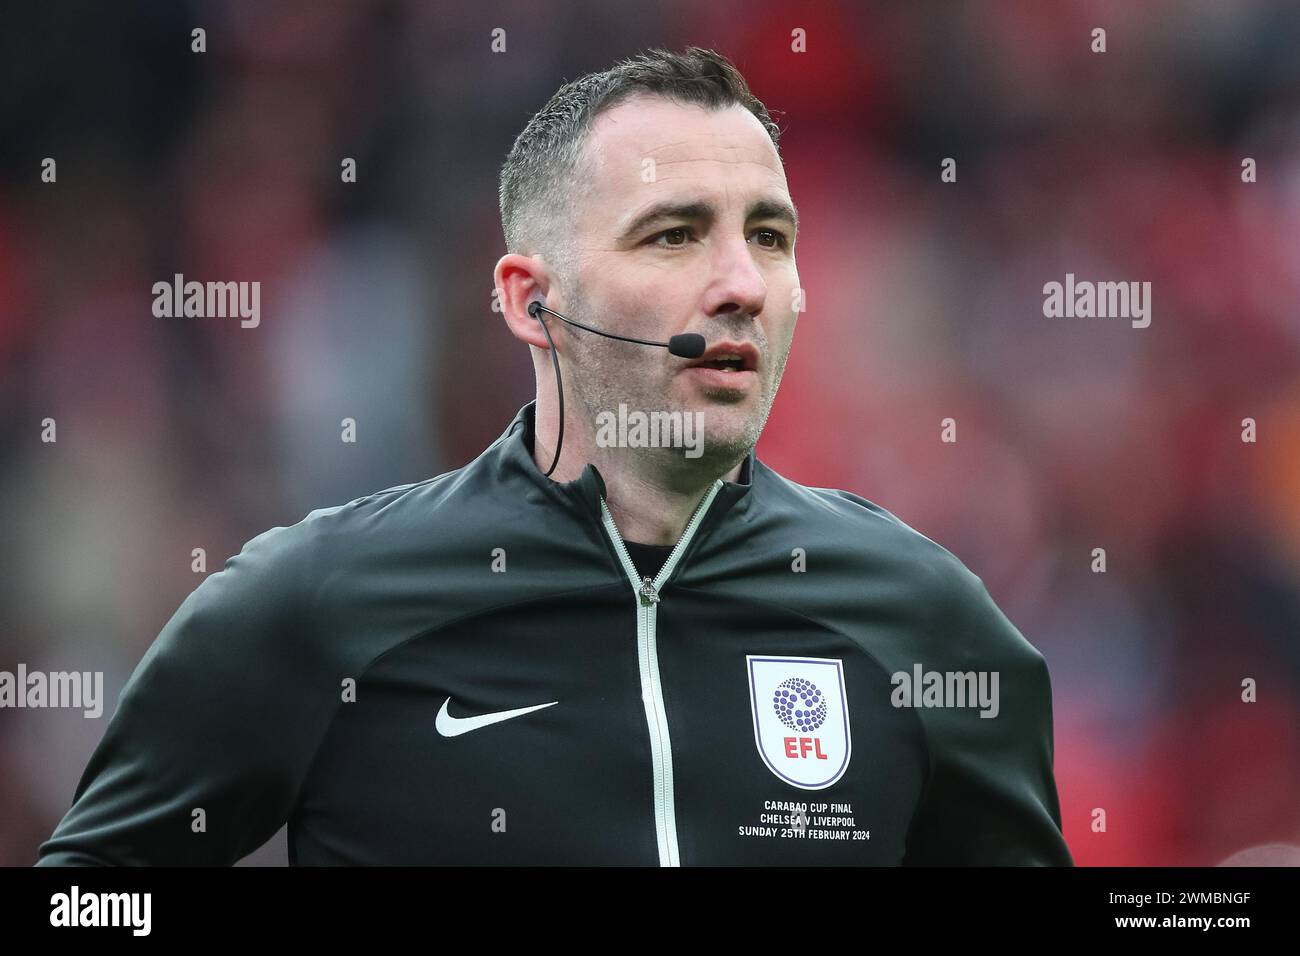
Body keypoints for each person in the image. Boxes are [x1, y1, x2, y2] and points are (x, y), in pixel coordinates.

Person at [37, 47, 1071, 866]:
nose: (740, 282)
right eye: (673, 234)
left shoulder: (921, 615)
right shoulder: (317, 602)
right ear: (532, 301)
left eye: (768, 233)